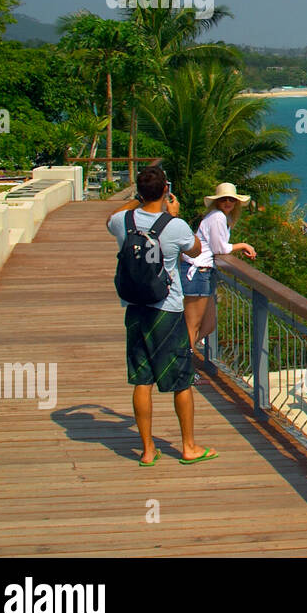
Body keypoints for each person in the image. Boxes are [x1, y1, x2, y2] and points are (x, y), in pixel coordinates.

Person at [108, 165, 217, 466]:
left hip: (135, 309)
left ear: (140, 191)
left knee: (142, 380)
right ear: (166, 191)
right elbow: (195, 250)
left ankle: (147, 450)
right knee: (181, 380)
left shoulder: (123, 221)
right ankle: (189, 447)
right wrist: (174, 212)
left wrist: (136, 200)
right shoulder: (175, 225)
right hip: (167, 311)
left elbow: (109, 218)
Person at [180, 183, 256, 375]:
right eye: (224, 199)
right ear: (217, 201)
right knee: (193, 324)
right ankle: (183, 369)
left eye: (232, 199)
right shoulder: (217, 218)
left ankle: (179, 353)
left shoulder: (220, 217)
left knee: (208, 324)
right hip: (197, 271)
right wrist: (243, 245)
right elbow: (219, 248)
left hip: (203, 272)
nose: (228, 202)